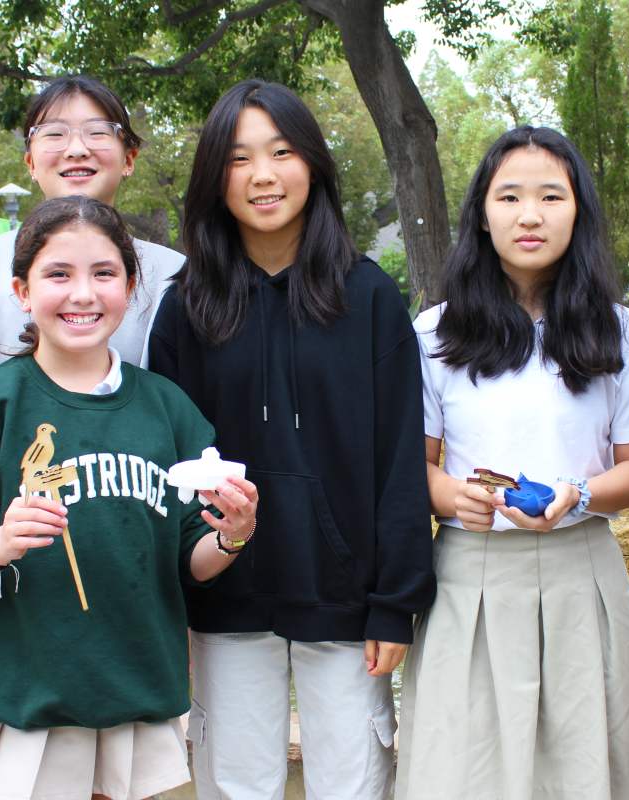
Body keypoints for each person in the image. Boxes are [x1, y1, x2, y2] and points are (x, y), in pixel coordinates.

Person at [0, 195, 258, 800]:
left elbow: (190, 564)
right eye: (58, 274)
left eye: (103, 273)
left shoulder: (167, 409)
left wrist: (233, 535)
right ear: (22, 291)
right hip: (25, 701)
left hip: (135, 691)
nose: (83, 294)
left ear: (130, 288)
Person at [147, 79, 435, 800]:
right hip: (226, 594)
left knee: (353, 784)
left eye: (281, 152)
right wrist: (178, 592)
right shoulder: (185, 307)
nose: (263, 175)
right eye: (239, 158)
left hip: (345, 598)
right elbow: (168, 467)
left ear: (312, 163)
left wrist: (393, 601)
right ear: (215, 177)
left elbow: (400, 460)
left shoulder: (368, 297)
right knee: (236, 784)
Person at [0, 76, 187, 793]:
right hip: (6, 584)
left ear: (129, 154)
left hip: (130, 587)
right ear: (29, 157)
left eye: (99, 131)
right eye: (54, 133)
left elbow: (182, 436)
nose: (77, 147)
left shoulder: (179, 277)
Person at [394, 126, 629, 800]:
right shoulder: (434, 333)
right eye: (509, 196)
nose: (530, 215)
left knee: (590, 770)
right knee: (462, 774)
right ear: (481, 215)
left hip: (583, 572)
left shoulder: (622, 332)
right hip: (469, 579)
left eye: (551, 196)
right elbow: (417, 468)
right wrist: (452, 498)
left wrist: (579, 493)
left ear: (578, 212)